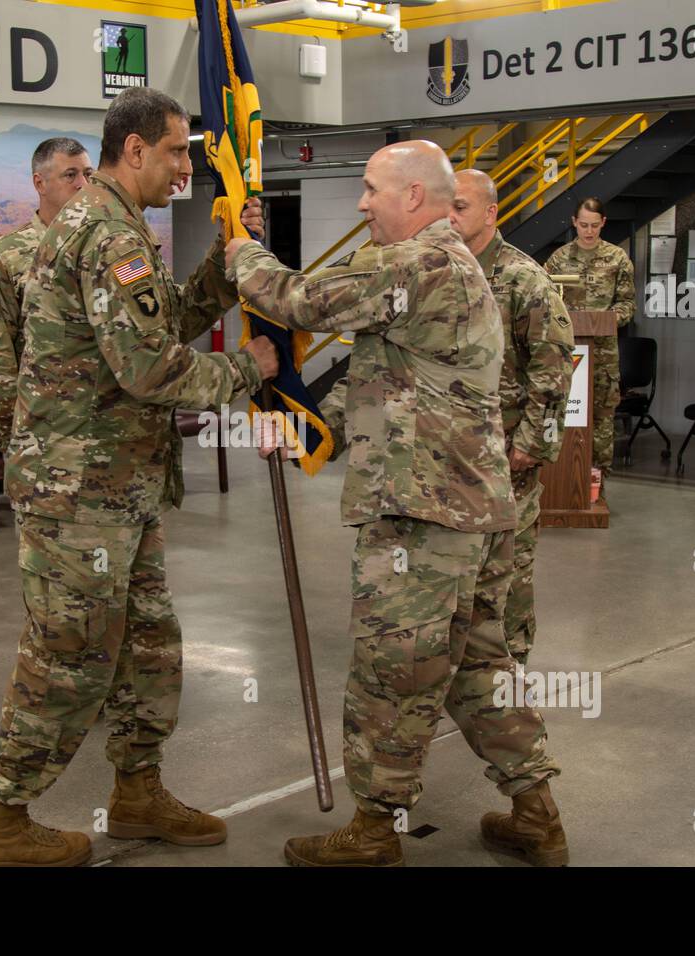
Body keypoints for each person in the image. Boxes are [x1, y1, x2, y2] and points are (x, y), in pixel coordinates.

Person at [226, 141, 568, 868]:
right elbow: (386, 384)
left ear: (413, 196)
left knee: (393, 672)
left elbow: (299, 300)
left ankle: (374, 831)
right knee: (477, 667)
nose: (361, 204)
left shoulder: (419, 264)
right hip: (469, 512)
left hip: (424, 517)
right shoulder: (447, 268)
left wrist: (240, 246)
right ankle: (536, 814)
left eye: (370, 188)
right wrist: (310, 433)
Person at [0, 87, 279, 867]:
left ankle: (138, 792)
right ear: (134, 150)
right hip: (79, 493)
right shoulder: (106, 232)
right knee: (68, 656)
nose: (186, 170)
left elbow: (162, 319)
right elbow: (147, 367)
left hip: (120, 490)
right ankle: (2, 819)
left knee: (148, 646)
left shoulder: (117, 223)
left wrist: (225, 260)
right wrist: (245, 369)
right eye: (176, 152)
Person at [451, 168, 574, 665]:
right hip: (453, 454)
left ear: (491, 213)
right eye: (446, 205)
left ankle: (511, 663)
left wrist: (530, 444)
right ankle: (464, 667)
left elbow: (553, 368)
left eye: (460, 206)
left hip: (507, 455)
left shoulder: (523, 278)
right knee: (459, 569)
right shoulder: (443, 272)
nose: (449, 215)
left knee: (509, 565)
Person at [0, 138, 94, 451]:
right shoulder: (5, 257)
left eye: (88, 174)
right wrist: (14, 439)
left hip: (105, 428)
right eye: (70, 175)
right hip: (43, 435)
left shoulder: (104, 247)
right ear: (40, 183)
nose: (83, 184)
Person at [544, 197, 634, 497]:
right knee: (562, 413)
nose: (589, 231)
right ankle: (559, 480)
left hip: (603, 354)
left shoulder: (617, 258)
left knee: (602, 419)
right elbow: (546, 300)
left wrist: (608, 319)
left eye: (595, 225)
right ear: (574, 222)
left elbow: (627, 303)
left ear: (603, 223)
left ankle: (597, 482)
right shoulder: (558, 259)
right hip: (566, 352)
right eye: (583, 225)